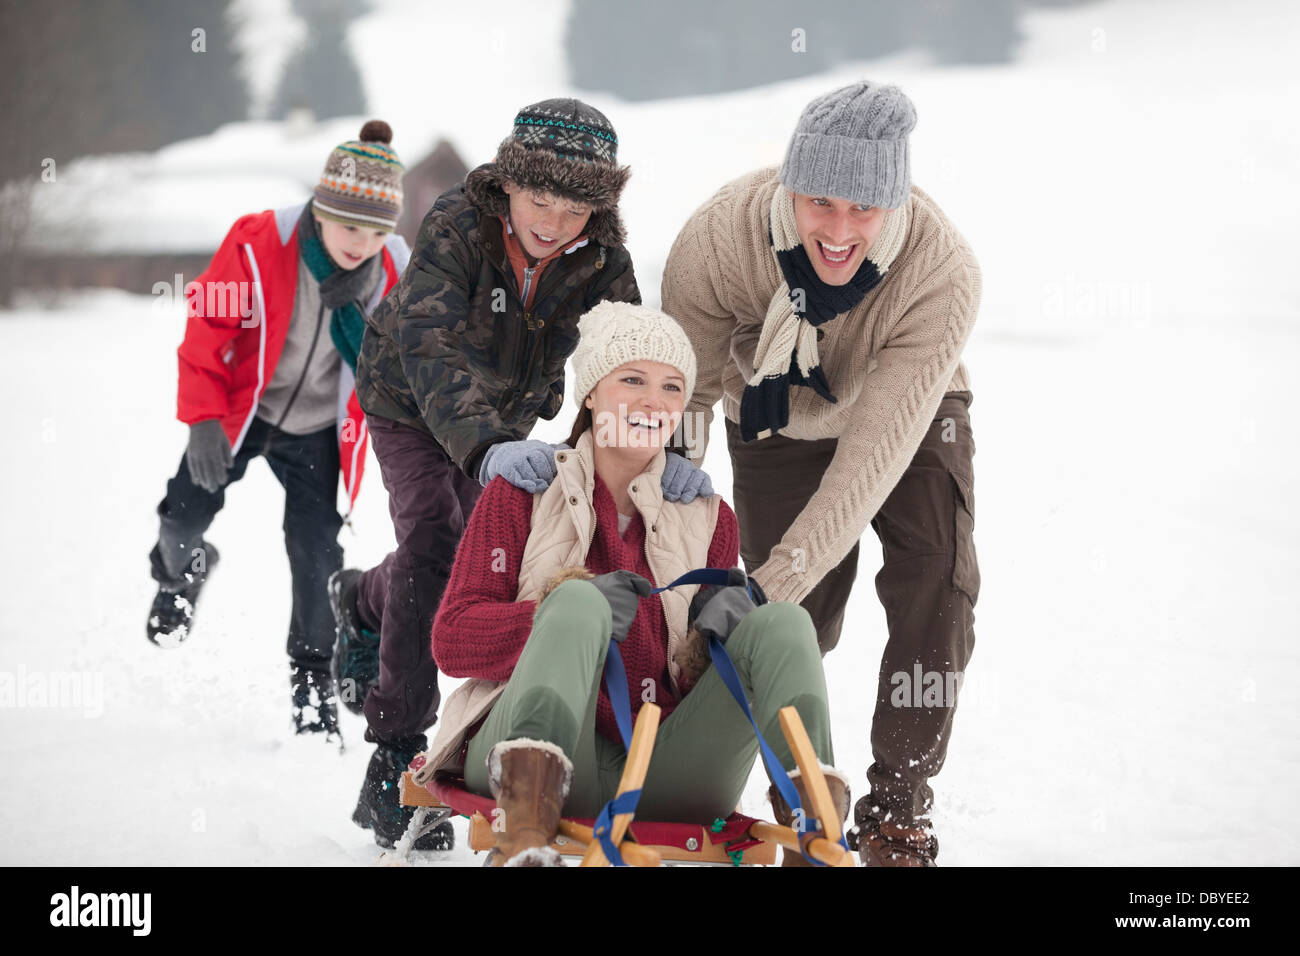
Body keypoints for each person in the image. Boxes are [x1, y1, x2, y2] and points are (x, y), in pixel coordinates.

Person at [330, 99, 712, 851]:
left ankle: (363, 597)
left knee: (484, 566)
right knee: (438, 541)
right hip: (409, 399)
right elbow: (429, 339)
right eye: (540, 199)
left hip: (509, 422)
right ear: (508, 183)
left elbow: (638, 361)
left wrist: (671, 460)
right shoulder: (456, 224)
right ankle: (393, 748)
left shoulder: (604, 260)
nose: (554, 221)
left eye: (576, 208)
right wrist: (481, 448)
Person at [660, 81, 982, 866]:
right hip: (771, 416)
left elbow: (872, 460)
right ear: (788, 188)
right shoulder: (716, 242)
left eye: (864, 210)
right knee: (799, 623)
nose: (840, 231)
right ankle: (801, 789)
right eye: (821, 204)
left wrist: (775, 580)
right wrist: (658, 528)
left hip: (908, 412)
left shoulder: (941, 272)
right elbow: (685, 404)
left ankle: (897, 808)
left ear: (894, 201)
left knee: (935, 580)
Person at [423, 302, 846, 866]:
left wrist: (718, 635)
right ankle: (525, 839)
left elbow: (704, 669)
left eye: (673, 387)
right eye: (633, 380)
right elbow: (452, 641)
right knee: (575, 597)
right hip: (524, 756)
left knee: (783, 621)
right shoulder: (522, 492)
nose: (655, 401)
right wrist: (558, 618)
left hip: (665, 771)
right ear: (591, 392)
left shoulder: (709, 517)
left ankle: (816, 825)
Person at [146, 121, 409, 746]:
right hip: (242, 411)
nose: (360, 244)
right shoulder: (261, 240)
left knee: (316, 551)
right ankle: (179, 573)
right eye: (349, 227)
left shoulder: (394, 269)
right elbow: (210, 325)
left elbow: (402, 359)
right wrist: (204, 420)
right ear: (321, 210)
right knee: (184, 513)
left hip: (322, 429)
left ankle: (312, 683)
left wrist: (368, 303)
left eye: (375, 232)